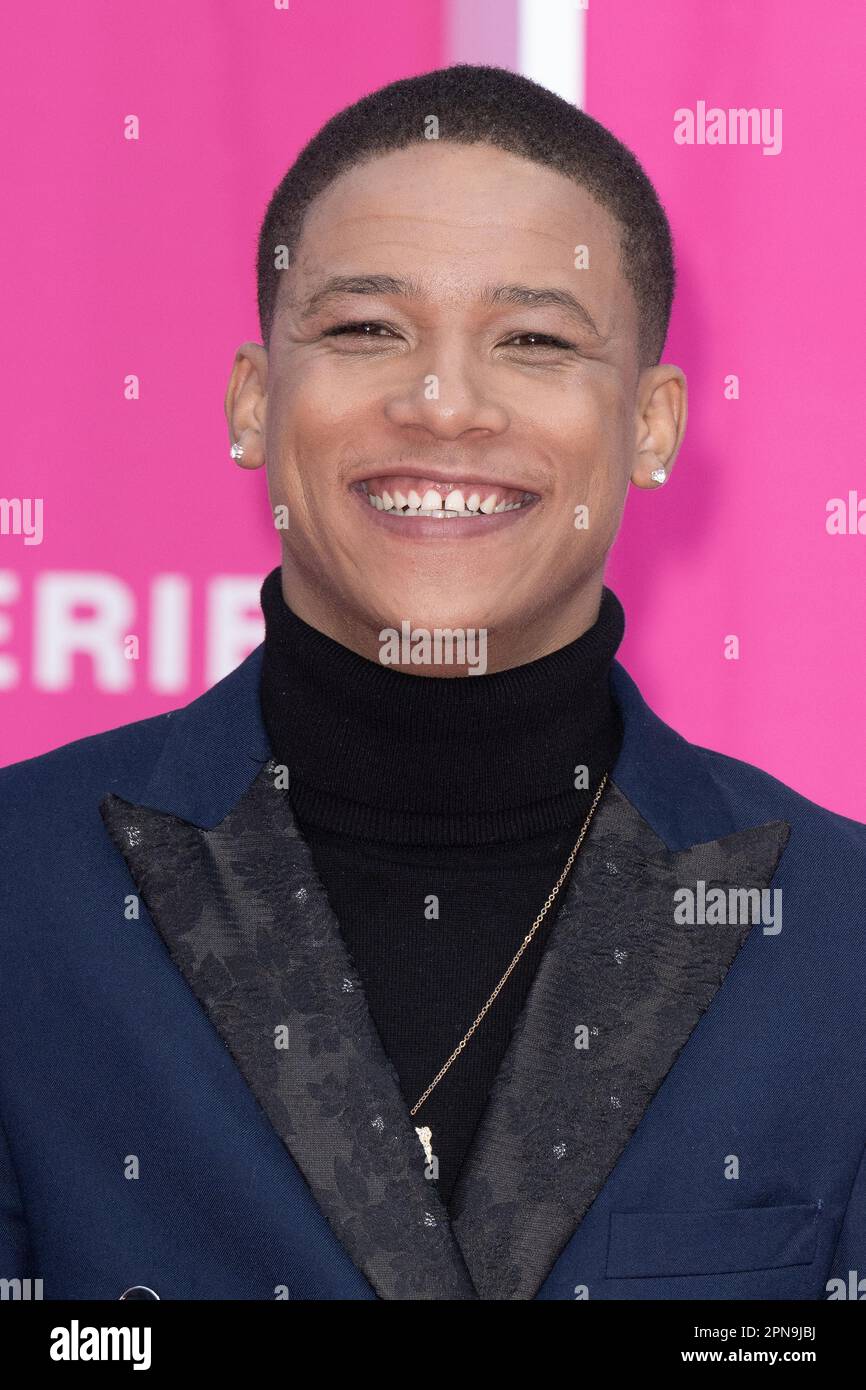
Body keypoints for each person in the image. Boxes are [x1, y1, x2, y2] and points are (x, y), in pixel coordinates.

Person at [1, 64, 863, 1302]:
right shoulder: (25, 887)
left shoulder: (835, 933)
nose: (444, 404)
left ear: (651, 426)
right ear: (253, 402)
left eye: (534, 341)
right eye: (366, 328)